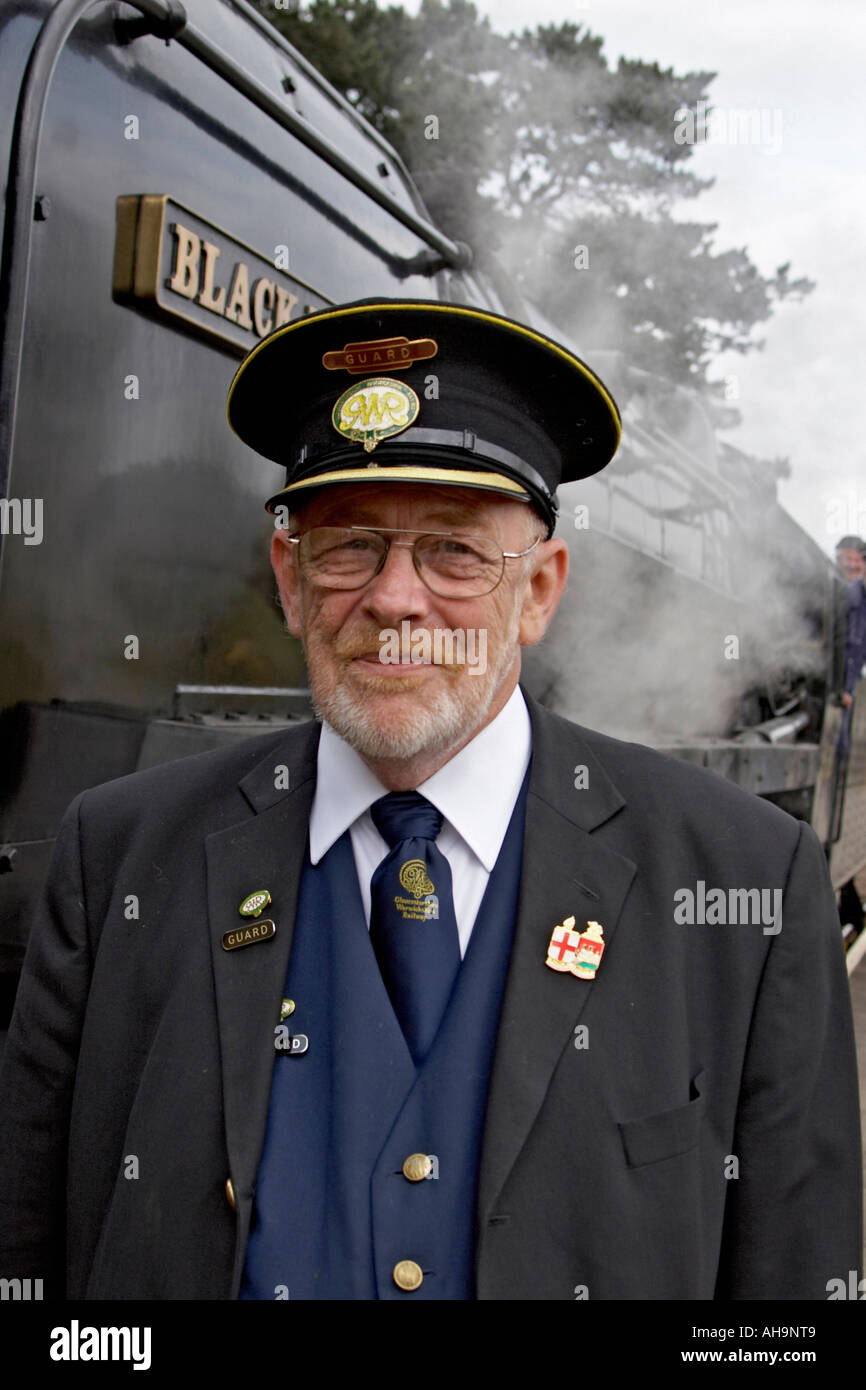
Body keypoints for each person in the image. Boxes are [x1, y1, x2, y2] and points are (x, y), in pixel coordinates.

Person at [0, 300, 860, 1301]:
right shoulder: (115, 858)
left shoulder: (746, 890)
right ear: (290, 577)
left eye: (454, 552)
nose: (394, 598)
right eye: (349, 546)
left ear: (538, 591)